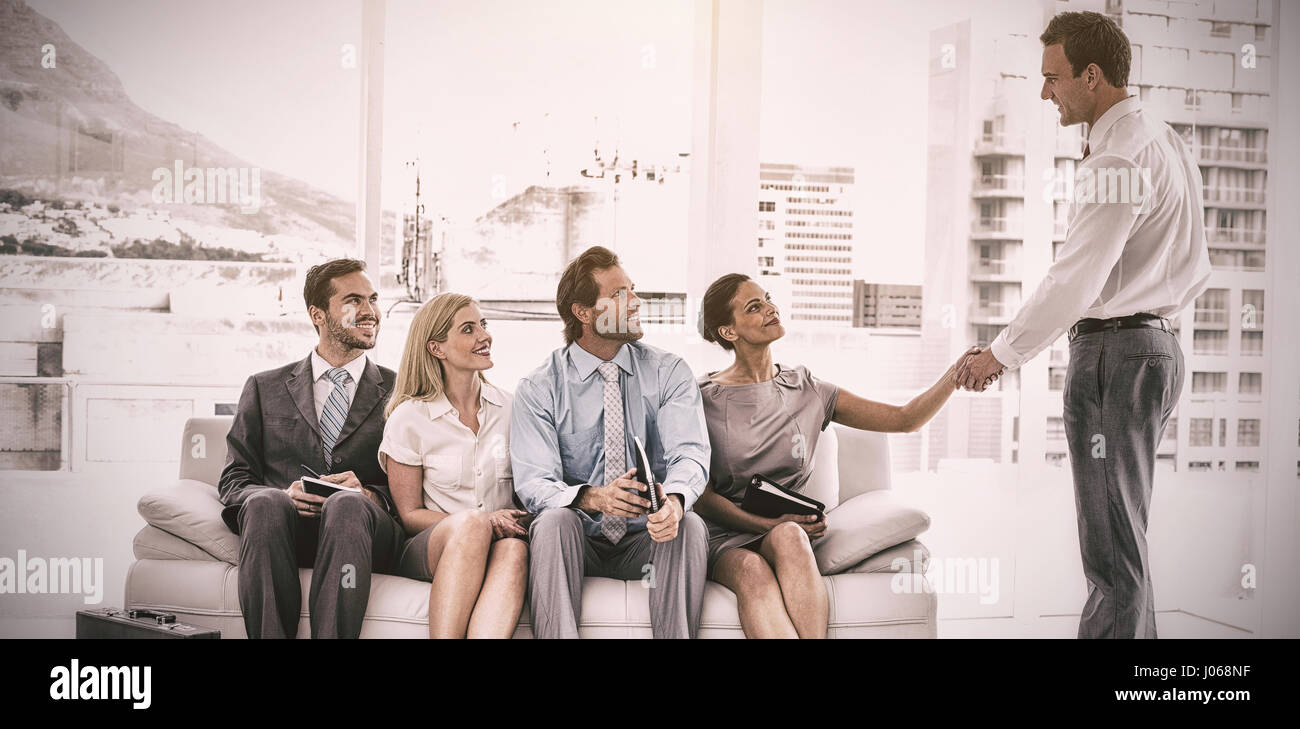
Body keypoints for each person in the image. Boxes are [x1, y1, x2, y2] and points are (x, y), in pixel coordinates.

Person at [955, 11, 1210, 639]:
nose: (1046, 93)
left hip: (1116, 357)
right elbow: (1192, 260)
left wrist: (1001, 354)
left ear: (1091, 76)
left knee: (1112, 556)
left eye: (1053, 78)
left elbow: (1075, 279)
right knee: (1126, 541)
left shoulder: (1117, 157)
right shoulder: (1163, 138)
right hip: (1156, 349)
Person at [693, 274, 978, 638]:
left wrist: (955, 375)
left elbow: (905, 419)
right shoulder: (703, 397)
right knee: (752, 571)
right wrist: (764, 525)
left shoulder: (807, 389)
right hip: (726, 533)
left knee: (792, 538)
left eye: (767, 299)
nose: (770, 309)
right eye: (754, 307)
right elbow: (700, 497)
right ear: (728, 332)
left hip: (790, 530)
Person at [511, 246, 711, 639]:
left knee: (687, 525)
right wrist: (593, 498)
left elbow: (690, 453)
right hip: (578, 542)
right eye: (620, 295)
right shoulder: (539, 388)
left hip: (646, 541)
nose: (636, 302)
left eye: (633, 290)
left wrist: (674, 500)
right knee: (554, 521)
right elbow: (534, 483)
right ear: (583, 312)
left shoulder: (668, 371)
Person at [218, 258, 404, 639]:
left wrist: (370, 494)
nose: (370, 312)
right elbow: (236, 478)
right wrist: (282, 494)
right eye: (354, 300)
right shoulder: (263, 387)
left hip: (362, 534)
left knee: (348, 503)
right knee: (265, 503)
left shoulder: (402, 392)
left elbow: (421, 485)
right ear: (317, 314)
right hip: (284, 534)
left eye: (373, 299)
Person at [378, 293, 528, 639]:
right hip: (432, 545)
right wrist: (483, 521)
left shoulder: (512, 409)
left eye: (484, 325)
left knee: (515, 550)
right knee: (474, 525)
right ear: (436, 348)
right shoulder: (409, 418)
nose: (484, 336)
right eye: (468, 329)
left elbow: (528, 493)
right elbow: (410, 514)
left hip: (501, 539)